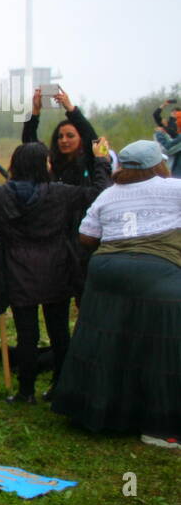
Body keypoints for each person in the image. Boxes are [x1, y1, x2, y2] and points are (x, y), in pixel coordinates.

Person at [51, 140, 181, 441]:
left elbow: (86, 236)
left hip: (107, 271)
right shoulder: (174, 188)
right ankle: (161, 427)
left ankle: (97, 412)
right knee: (162, 348)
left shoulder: (109, 194)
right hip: (159, 273)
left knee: (109, 344)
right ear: (157, 165)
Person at [0, 142, 110, 404]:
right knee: (59, 331)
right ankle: (60, 385)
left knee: (27, 335)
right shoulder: (60, 193)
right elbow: (98, 194)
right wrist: (101, 162)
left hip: (17, 271)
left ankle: (26, 391)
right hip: (57, 269)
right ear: (42, 165)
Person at [23, 87, 100, 187]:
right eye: (60, 136)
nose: (64, 140)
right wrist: (35, 110)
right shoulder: (51, 163)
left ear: (81, 138)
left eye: (70, 136)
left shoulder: (89, 161)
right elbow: (29, 143)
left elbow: (91, 137)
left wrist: (70, 109)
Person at [152, 101, 181, 178]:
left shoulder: (173, 125)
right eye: (173, 112)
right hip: (170, 155)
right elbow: (156, 115)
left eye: (177, 113)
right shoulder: (167, 124)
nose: (175, 114)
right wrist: (163, 105)